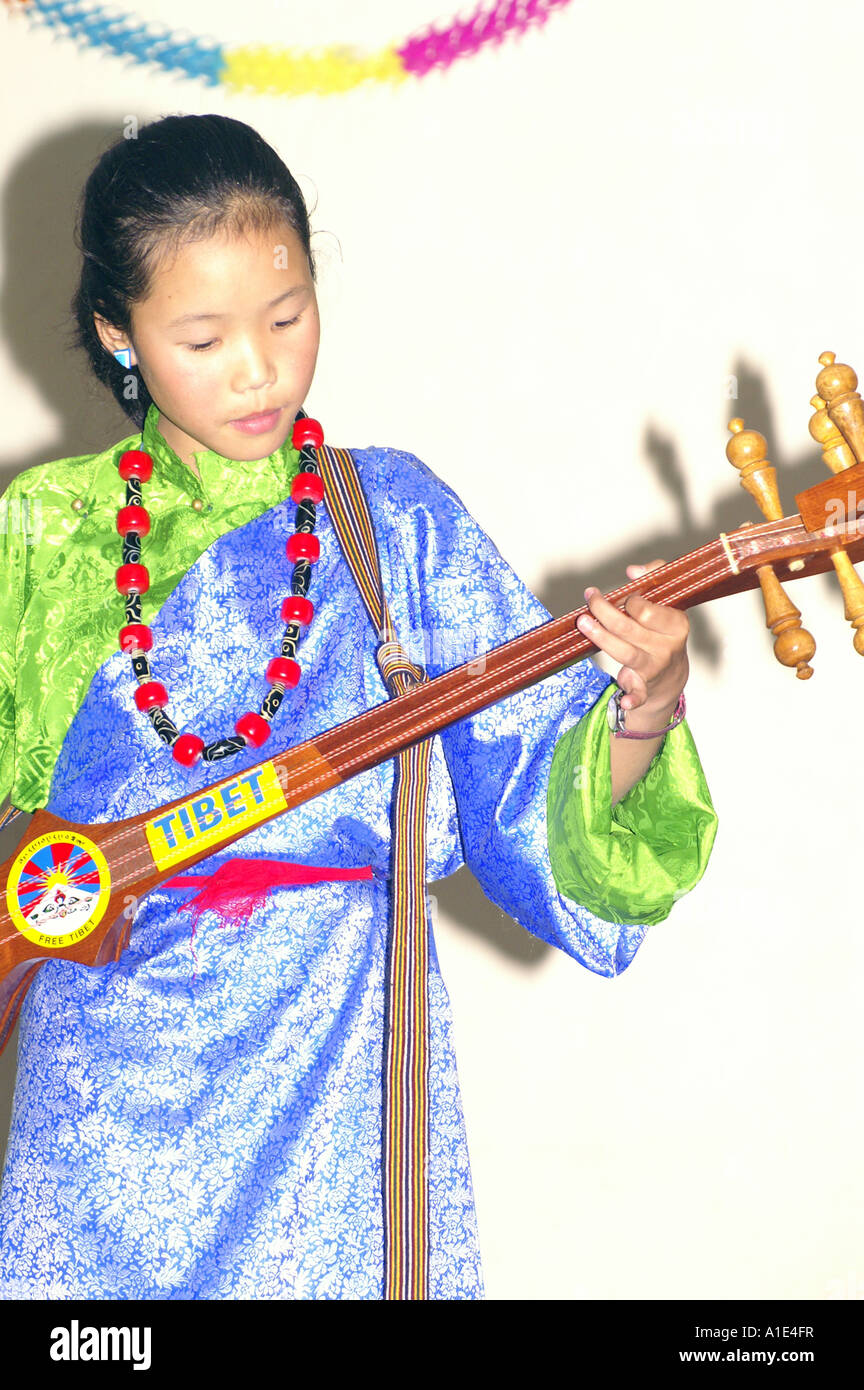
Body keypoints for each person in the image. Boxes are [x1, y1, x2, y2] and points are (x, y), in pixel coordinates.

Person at [0, 113, 717, 1300]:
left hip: (332, 1066)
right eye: (203, 336)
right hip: (108, 1077)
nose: (258, 368)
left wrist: (647, 702)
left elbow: (536, 791)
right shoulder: (49, 534)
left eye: (287, 319)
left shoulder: (395, 523)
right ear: (116, 334)